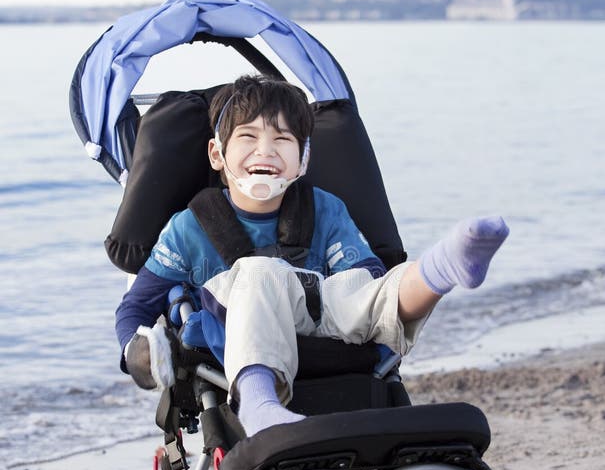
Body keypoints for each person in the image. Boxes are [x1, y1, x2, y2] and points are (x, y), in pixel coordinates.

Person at [116, 75, 509, 437]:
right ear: (217, 155)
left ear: (302, 158)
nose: (265, 151)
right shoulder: (188, 227)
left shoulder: (324, 209)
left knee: (360, 286)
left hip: (318, 314)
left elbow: (360, 281)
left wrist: (365, 288)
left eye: (282, 140)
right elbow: (137, 306)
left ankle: (441, 268)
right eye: (248, 137)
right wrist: (136, 348)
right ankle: (259, 404)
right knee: (260, 272)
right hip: (235, 318)